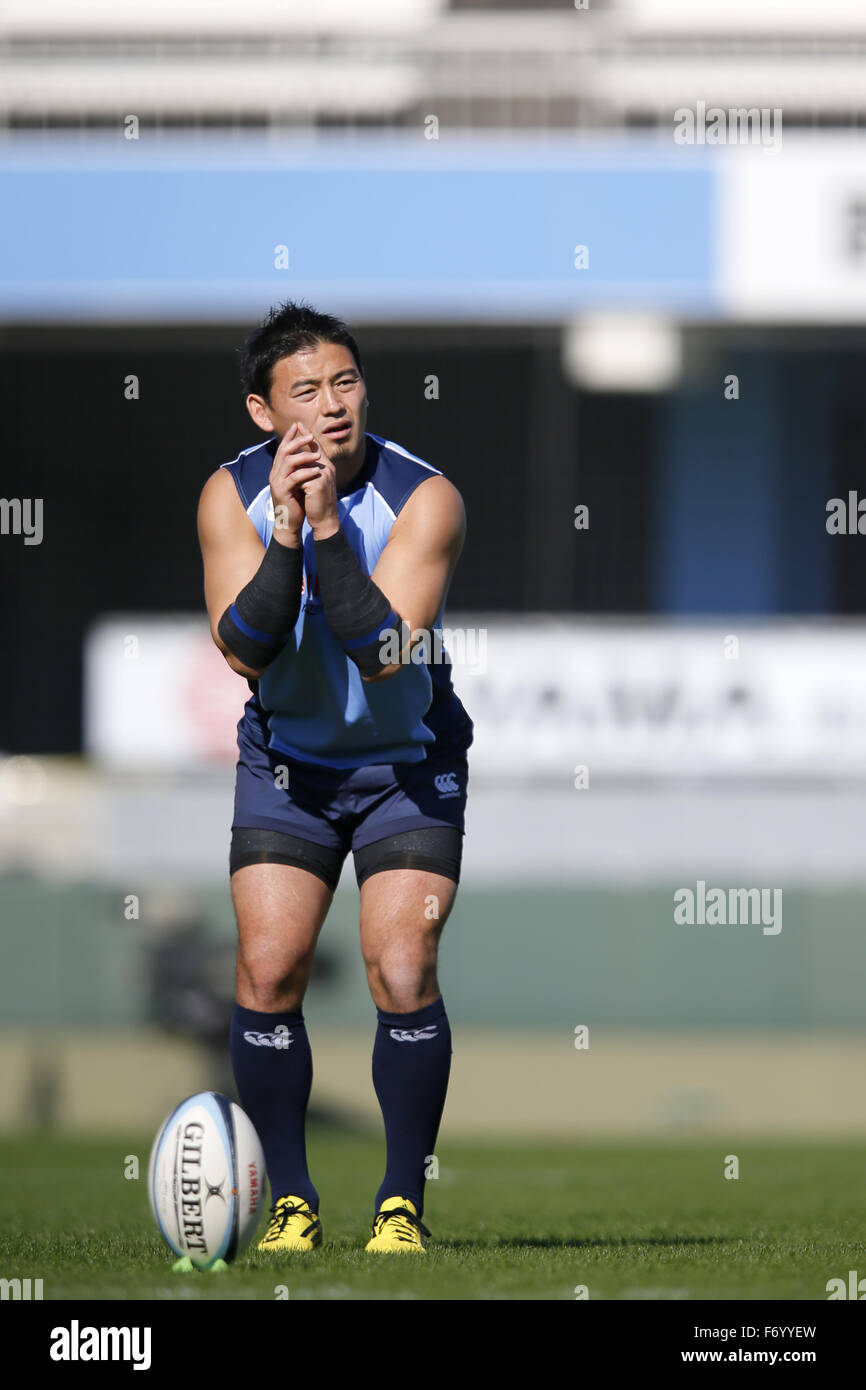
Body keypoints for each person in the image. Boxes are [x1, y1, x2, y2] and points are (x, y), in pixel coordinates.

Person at [196, 301, 473, 1253]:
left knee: (403, 966)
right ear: (263, 412)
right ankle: (292, 1204)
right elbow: (244, 650)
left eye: (346, 381)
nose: (333, 404)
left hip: (408, 763)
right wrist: (285, 535)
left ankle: (400, 1206)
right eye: (306, 390)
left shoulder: (426, 497)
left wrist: (322, 526)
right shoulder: (227, 496)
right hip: (288, 767)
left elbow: (386, 654)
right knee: (269, 971)